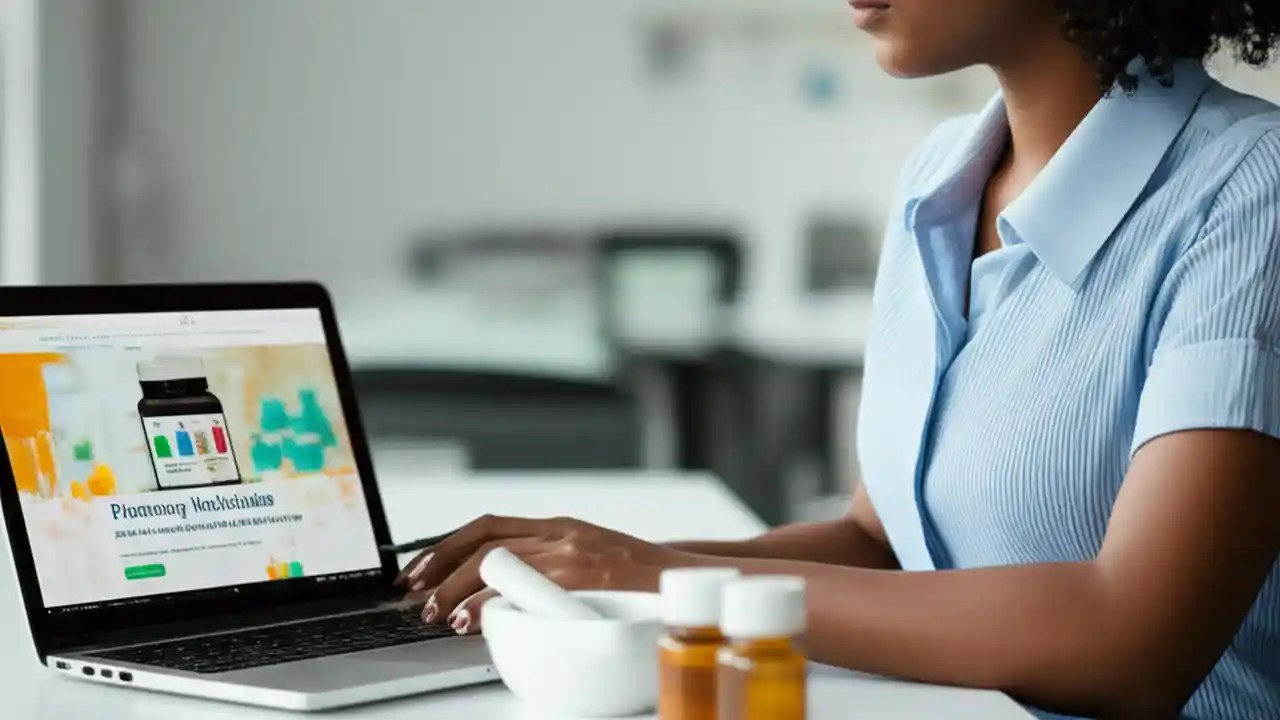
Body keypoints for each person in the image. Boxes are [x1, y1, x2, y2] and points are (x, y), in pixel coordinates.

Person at [396, 2, 1280, 718]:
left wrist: (663, 577)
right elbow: (883, 542)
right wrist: (594, 571)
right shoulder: (937, 181)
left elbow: (1131, 644)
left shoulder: (1252, 192)